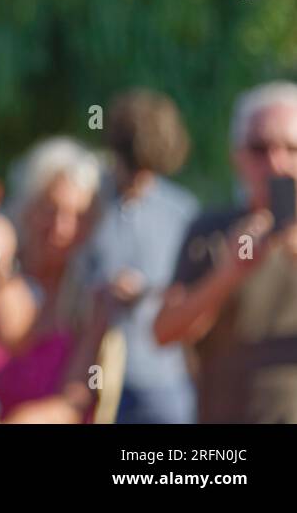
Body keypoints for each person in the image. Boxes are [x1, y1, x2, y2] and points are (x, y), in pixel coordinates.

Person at [155, 81, 297, 423]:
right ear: (237, 156)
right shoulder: (211, 230)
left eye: (291, 148)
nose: (276, 163)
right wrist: (230, 272)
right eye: (260, 148)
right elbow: (165, 331)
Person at [72, 90, 197, 423]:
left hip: (161, 379)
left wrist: (147, 291)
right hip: (86, 371)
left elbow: (191, 297)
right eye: (135, 167)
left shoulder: (181, 212)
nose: (141, 180)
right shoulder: (82, 202)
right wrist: (99, 291)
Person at [0, 138, 108, 423]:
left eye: (78, 216)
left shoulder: (89, 299)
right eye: (51, 209)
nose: (62, 228)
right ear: (28, 206)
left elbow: (74, 401)